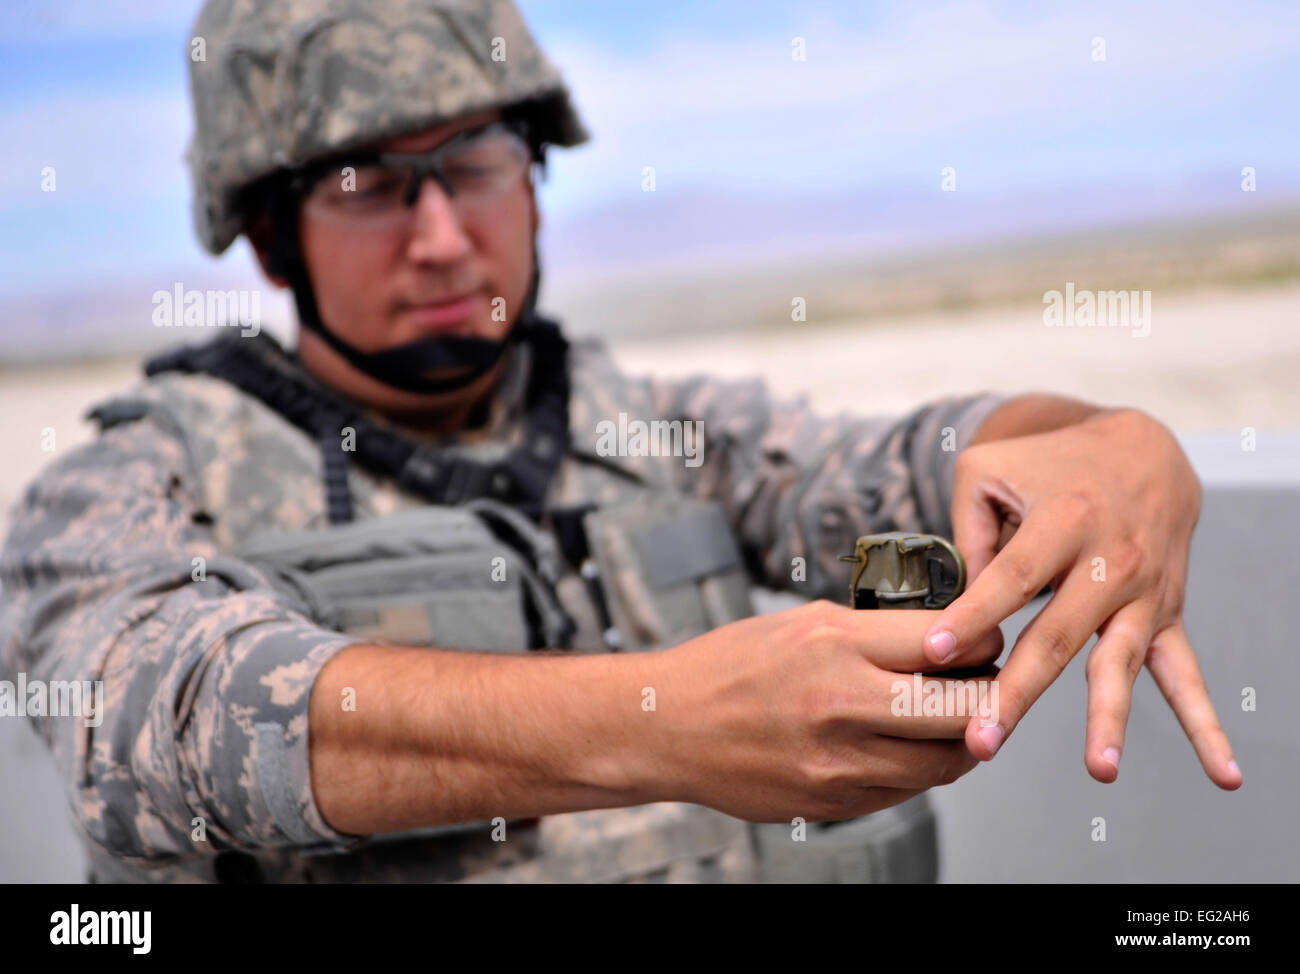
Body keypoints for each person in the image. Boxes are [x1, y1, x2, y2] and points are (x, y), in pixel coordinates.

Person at [0, 0, 1239, 884]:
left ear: (533, 183)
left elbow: (907, 462)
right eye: (369, 185)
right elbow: (147, 714)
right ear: (272, 242)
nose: (440, 237)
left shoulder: (648, 425)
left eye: (475, 163)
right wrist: (662, 721)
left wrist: (1106, 446)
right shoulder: (137, 474)